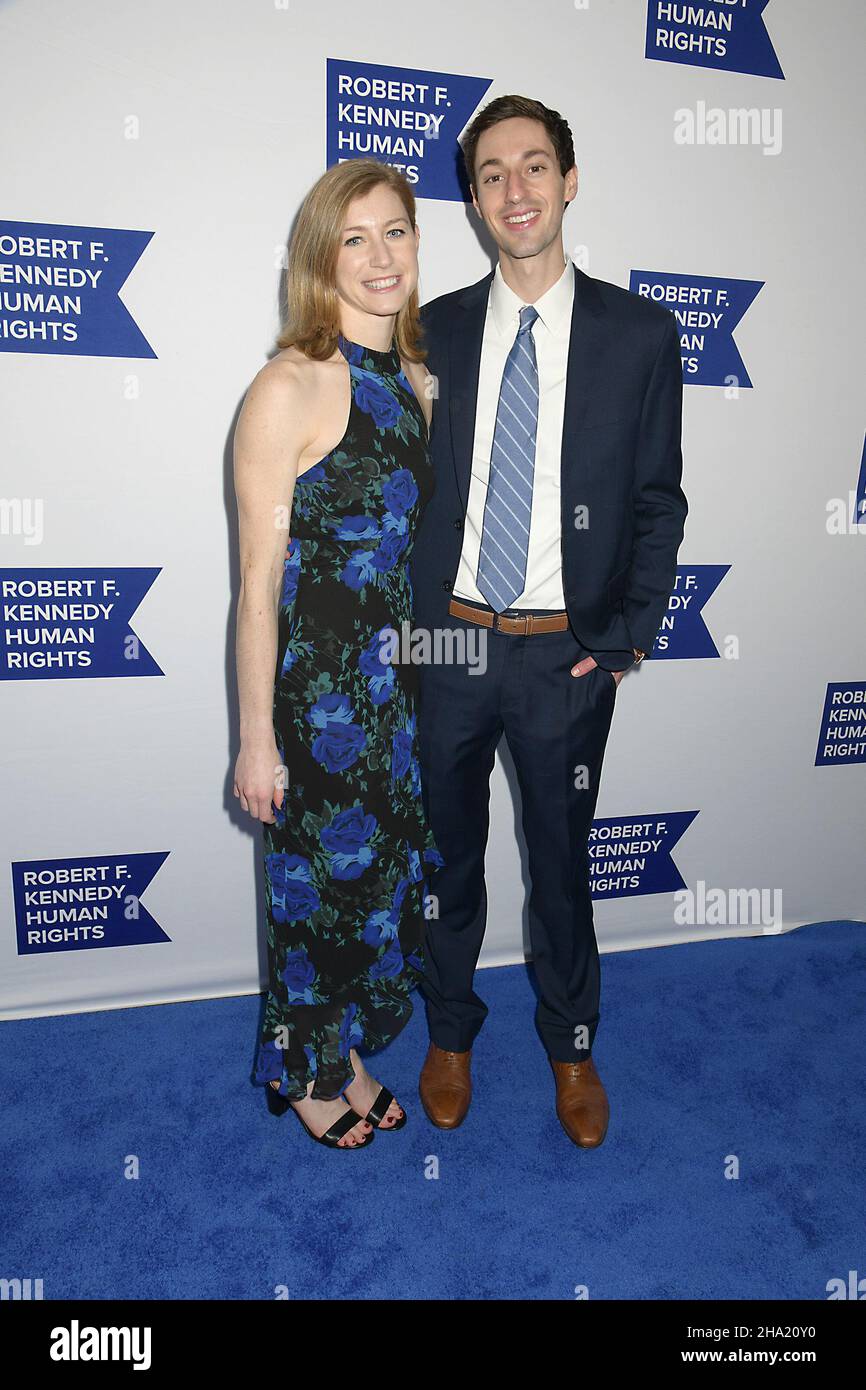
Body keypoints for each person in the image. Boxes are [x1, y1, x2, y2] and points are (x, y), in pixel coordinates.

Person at [411, 95, 687, 1148]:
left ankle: (571, 1045)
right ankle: (448, 1032)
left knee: (561, 865)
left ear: (568, 182)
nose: (514, 190)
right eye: (491, 174)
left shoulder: (638, 334)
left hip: (561, 656)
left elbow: (656, 500)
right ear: (472, 200)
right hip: (445, 642)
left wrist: (622, 638)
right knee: (445, 861)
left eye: (534, 167)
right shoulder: (426, 329)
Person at [232, 158, 440, 1150]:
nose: (376, 255)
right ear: (319, 260)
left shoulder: (413, 382)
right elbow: (256, 584)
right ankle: (306, 1072)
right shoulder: (288, 386)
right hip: (314, 701)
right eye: (351, 238)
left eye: (392, 230)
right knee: (314, 897)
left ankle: (345, 1047)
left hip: (395, 693)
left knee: (374, 889)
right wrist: (254, 740)